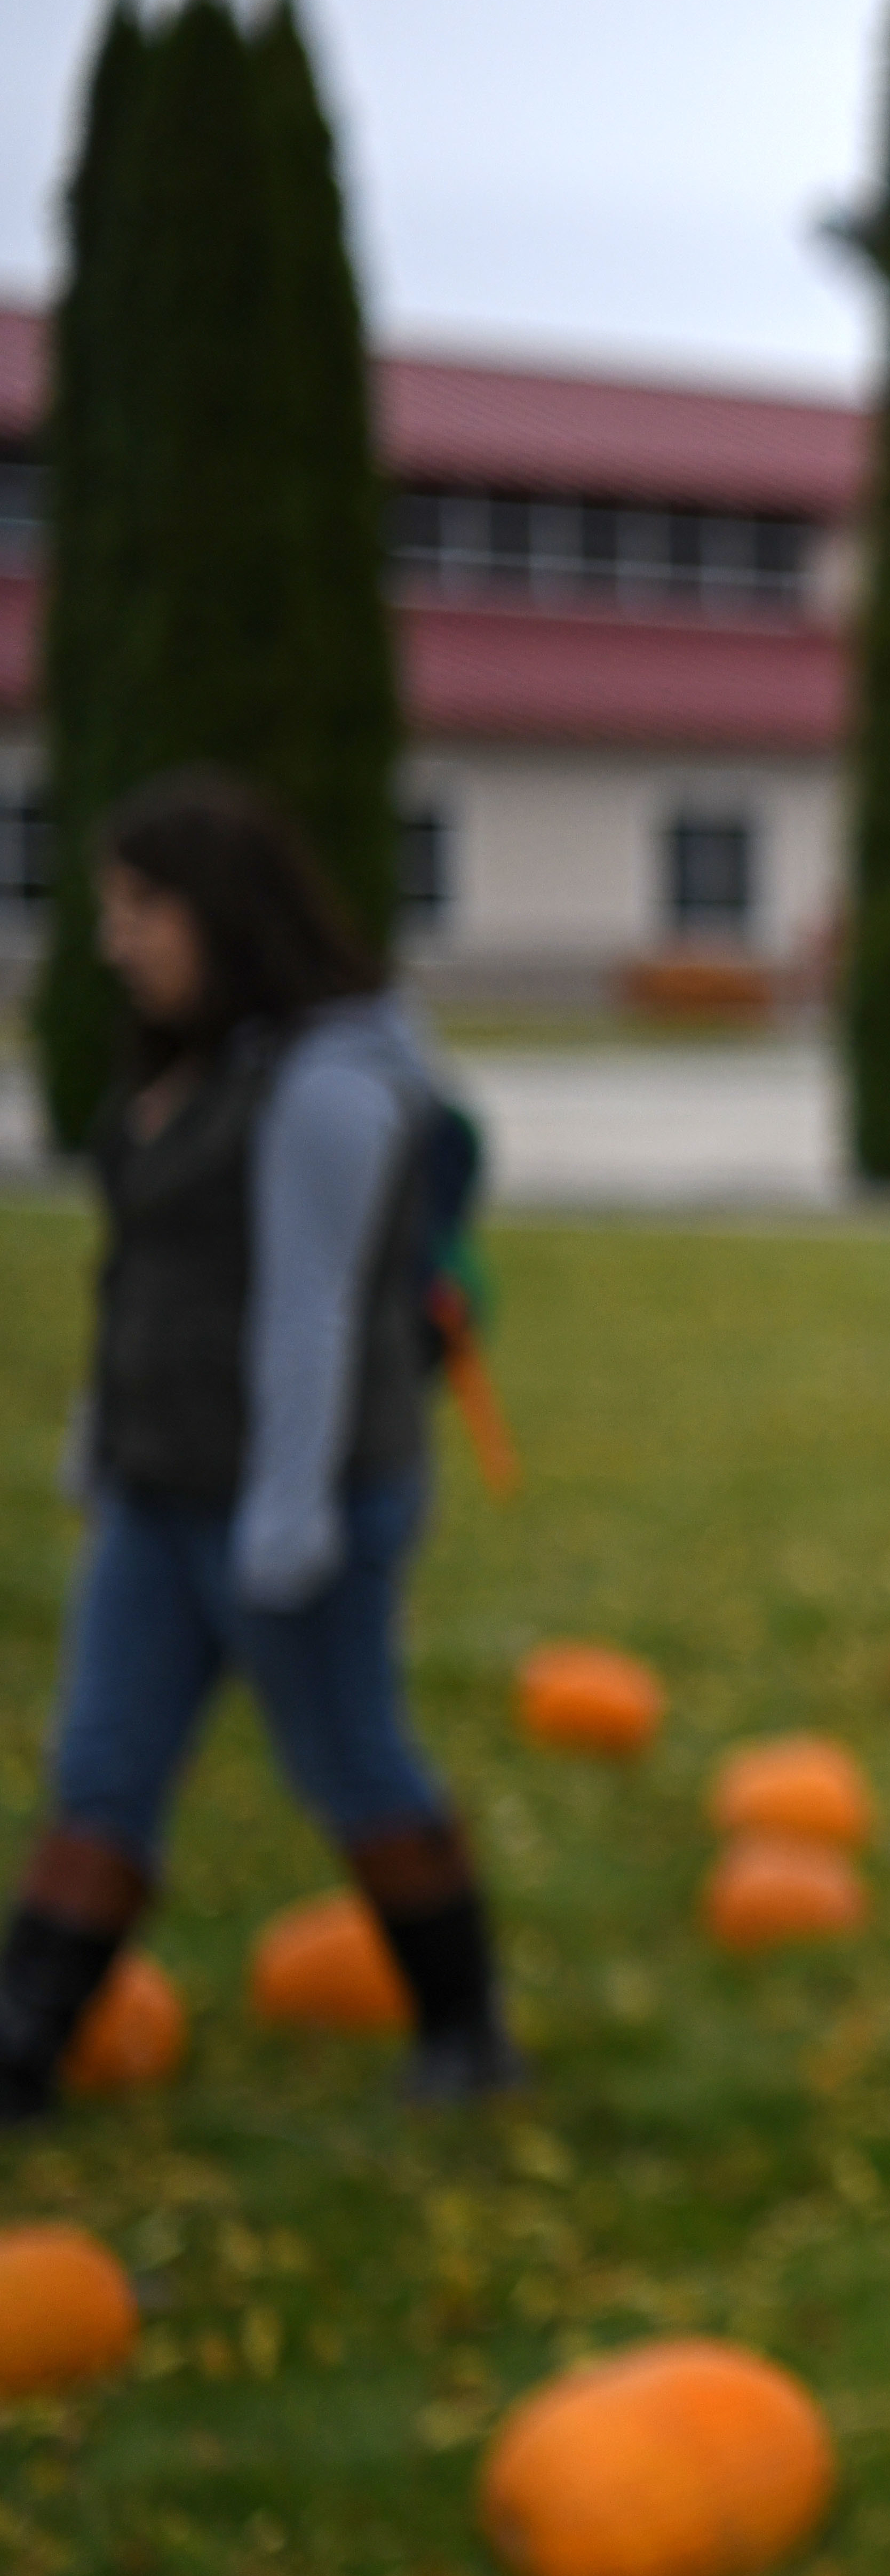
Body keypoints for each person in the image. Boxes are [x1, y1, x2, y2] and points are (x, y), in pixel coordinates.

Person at [0, 770, 520, 2123]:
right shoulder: (189, 1062)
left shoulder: (330, 1087)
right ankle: (24, 2047)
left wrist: (289, 1521)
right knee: (102, 1762)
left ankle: (467, 2031)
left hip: (308, 1499)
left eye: (140, 907)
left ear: (220, 913)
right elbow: (143, 1276)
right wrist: (102, 1438)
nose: (116, 938)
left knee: (353, 1759)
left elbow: (311, 1312)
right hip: (161, 1488)